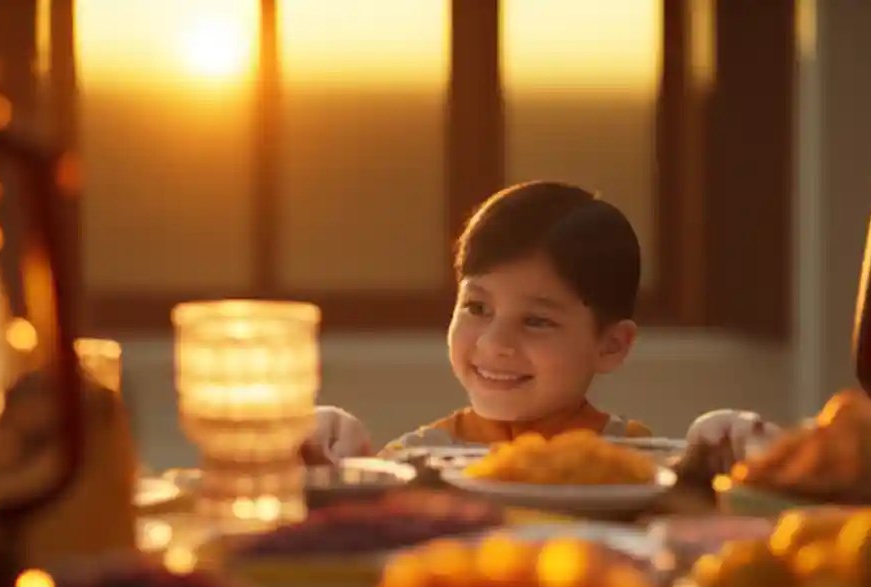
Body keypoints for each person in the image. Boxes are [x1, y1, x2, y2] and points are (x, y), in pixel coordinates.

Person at [306, 181, 780, 470]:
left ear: (612, 345)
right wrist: (324, 447)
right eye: (476, 308)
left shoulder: (633, 463)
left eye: (536, 320)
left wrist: (724, 450)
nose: (495, 343)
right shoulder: (417, 461)